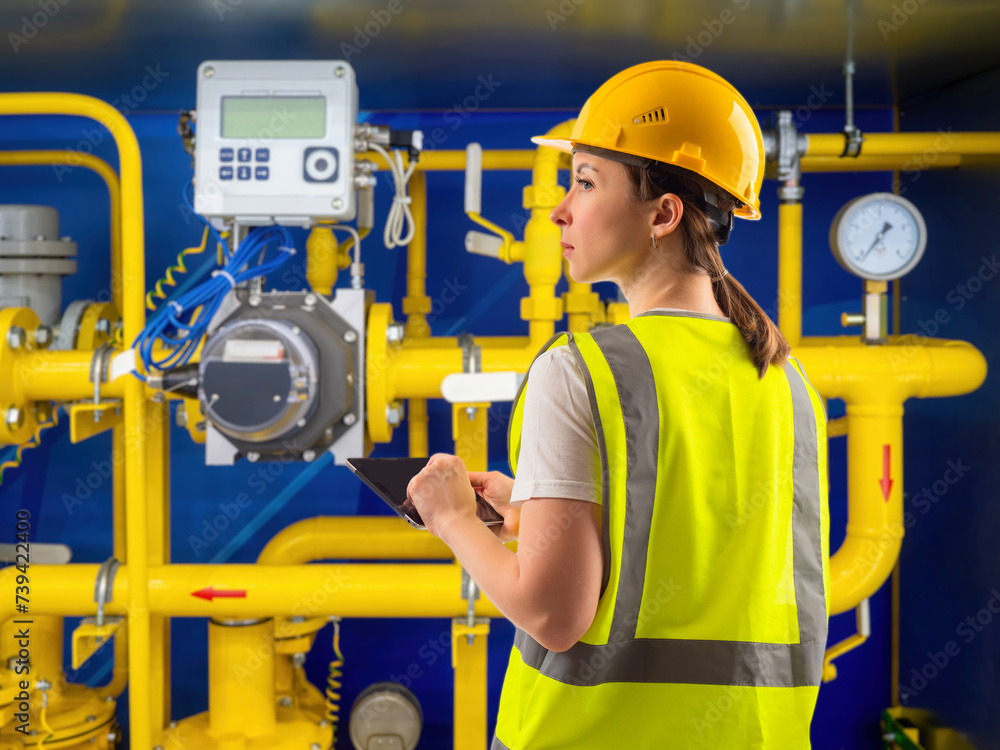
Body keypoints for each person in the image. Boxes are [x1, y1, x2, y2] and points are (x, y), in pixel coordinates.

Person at [407, 60, 829, 749]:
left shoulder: (581, 370)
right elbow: (695, 552)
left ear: (663, 213)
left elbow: (552, 616)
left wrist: (454, 520)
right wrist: (535, 514)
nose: (558, 210)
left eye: (584, 181)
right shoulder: (787, 380)